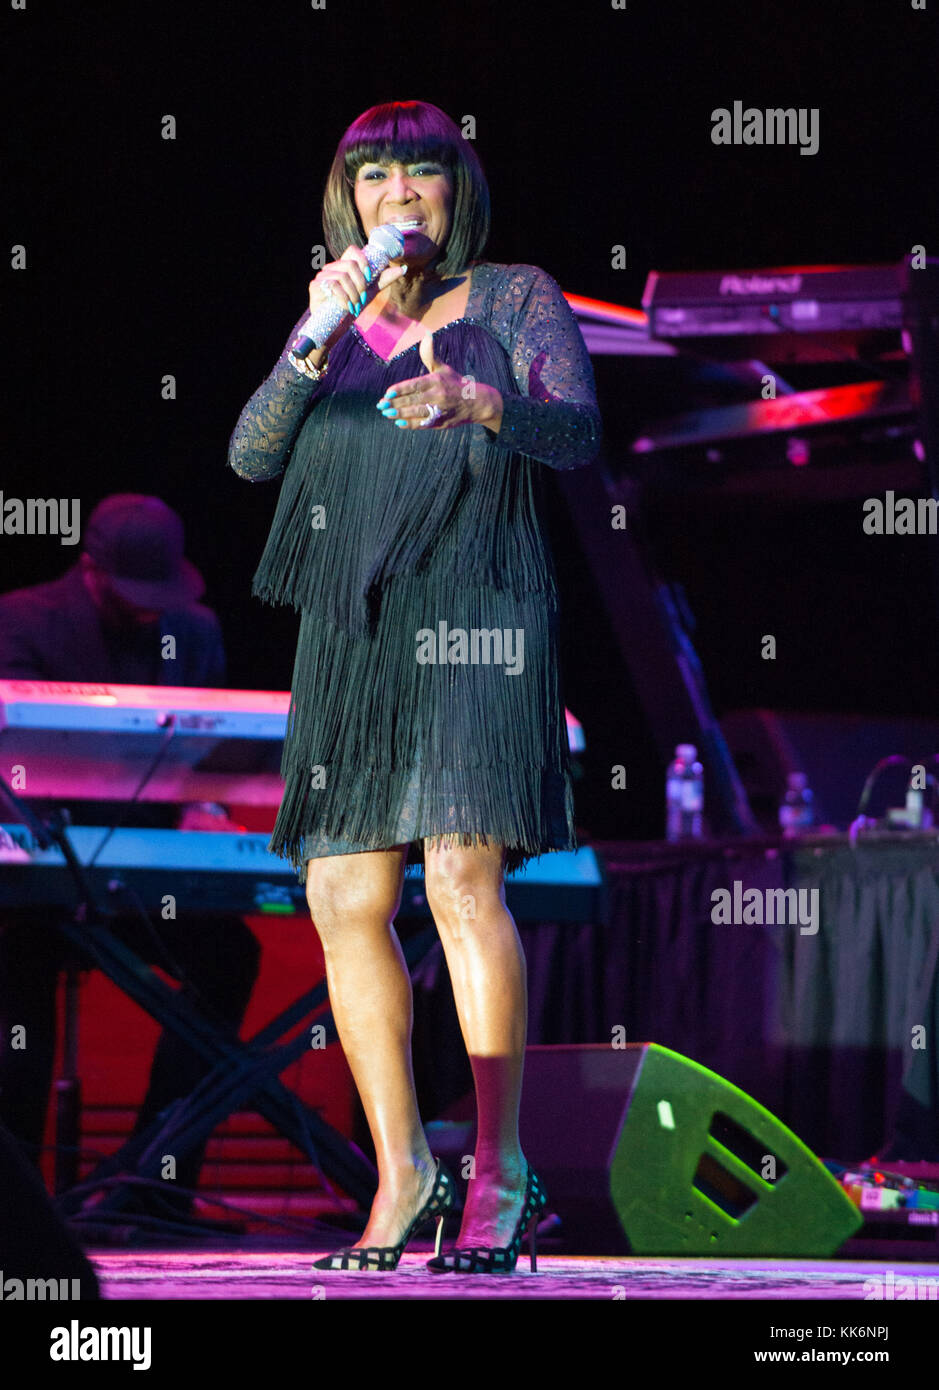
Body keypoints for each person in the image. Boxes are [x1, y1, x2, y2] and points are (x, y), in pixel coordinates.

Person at [228, 100, 601, 1273]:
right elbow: (249, 454)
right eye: (377, 175)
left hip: (481, 608)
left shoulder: (513, 296)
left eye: (423, 175)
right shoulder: (335, 321)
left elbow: (577, 432)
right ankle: (403, 1174)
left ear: (456, 191)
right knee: (340, 889)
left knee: (457, 872)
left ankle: (500, 1177)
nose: (402, 197)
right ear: (351, 198)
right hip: (355, 627)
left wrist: (483, 401)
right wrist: (308, 337)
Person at [0, 494, 261, 1226]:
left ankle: (156, 1184)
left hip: (147, 874)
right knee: (20, 992)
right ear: (91, 569)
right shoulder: (21, 620)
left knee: (227, 959)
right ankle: (19, 1210)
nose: (149, 614)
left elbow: (200, 762)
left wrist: (204, 811)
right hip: (40, 877)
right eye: (130, 597)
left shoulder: (195, 630)